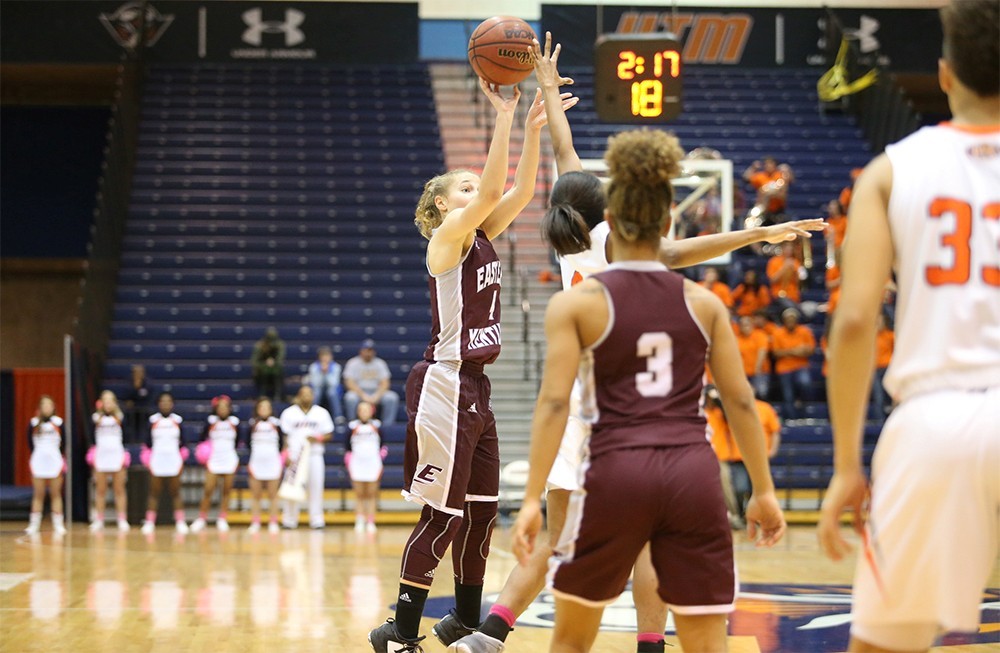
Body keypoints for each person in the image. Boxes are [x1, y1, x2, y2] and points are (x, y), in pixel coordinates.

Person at [443, 34, 817, 653]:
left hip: (581, 417)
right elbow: (682, 249)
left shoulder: (575, 252)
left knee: (560, 543)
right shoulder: (628, 248)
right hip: (634, 424)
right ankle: (649, 643)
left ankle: (490, 633)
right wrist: (759, 236)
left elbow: (565, 153)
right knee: (647, 546)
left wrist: (543, 90)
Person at [512, 128, 786, 653]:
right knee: (704, 632)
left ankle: (498, 625)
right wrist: (763, 489)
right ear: (666, 225)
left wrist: (530, 497)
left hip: (614, 461)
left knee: (572, 635)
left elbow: (550, 403)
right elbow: (741, 402)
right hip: (689, 468)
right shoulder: (702, 301)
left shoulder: (577, 297)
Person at [818, 5, 999, 652]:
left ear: (946, 74)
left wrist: (846, 466)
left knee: (884, 644)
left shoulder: (892, 170)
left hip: (935, 420)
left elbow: (857, 317)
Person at [367, 71, 563, 653]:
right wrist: (503, 116)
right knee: (442, 518)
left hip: (477, 386)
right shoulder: (446, 240)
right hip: (444, 384)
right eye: (465, 187)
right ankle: (401, 633)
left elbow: (521, 193)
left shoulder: (481, 233)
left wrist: (531, 131)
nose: (478, 192)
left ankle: (464, 622)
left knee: (482, 514)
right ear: (439, 203)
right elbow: (489, 194)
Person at [279, 385, 333, 530]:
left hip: (315, 455)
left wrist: (318, 438)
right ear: (298, 396)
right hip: (295, 456)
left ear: (313, 396)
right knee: (292, 487)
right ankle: (289, 520)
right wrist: (286, 455)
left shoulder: (321, 413)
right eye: (303, 394)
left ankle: (317, 520)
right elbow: (284, 436)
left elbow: (329, 433)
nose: (306, 397)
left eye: (309, 394)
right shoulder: (289, 413)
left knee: (316, 487)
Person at [141, 392, 189, 535]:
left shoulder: (178, 421)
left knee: (175, 491)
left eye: (168, 401)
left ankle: (180, 521)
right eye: (163, 401)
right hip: (157, 459)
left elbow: (184, 442)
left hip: (174, 459)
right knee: (154, 492)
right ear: (158, 404)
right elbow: (147, 442)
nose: (165, 404)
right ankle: (150, 522)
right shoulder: (152, 421)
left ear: (172, 404)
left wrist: (180, 458)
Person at [191, 395, 240, 533]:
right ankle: (202, 519)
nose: (223, 409)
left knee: (226, 490)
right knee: (208, 490)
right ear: (216, 408)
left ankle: (222, 519)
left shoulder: (234, 422)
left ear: (229, 409)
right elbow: (202, 438)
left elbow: (238, 441)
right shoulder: (210, 421)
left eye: (226, 407)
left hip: (229, 459)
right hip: (214, 459)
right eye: (220, 407)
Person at [89, 390, 130, 532]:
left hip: (117, 455)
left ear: (114, 403)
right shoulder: (95, 418)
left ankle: (122, 519)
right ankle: (99, 519)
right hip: (101, 456)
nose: (108, 403)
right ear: (101, 402)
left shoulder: (120, 417)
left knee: (119, 489)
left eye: (110, 400)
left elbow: (128, 435)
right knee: (100, 490)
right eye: (105, 400)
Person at [25, 395, 67, 536]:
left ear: (53, 407)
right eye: (44, 405)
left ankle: (58, 524)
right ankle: (34, 524)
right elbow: (29, 443)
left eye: (50, 405)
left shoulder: (59, 423)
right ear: (40, 408)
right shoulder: (33, 423)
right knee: (38, 494)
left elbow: (64, 443)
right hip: (38, 461)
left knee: (56, 493)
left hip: (54, 461)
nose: (47, 408)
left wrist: (56, 455)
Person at [346, 401, 386, 534]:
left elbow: (384, 444)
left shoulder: (377, 426)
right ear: (358, 411)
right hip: (357, 463)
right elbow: (347, 446)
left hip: (373, 463)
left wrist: (381, 456)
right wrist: (348, 459)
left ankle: (370, 521)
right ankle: (359, 519)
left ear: (371, 411)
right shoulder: (352, 426)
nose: (364, 412)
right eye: (361, 410)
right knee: (359, 494)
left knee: (371, 494)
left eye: (366, 410)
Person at [246, 397, 284, 534]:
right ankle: (255, 521)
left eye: (267, 407)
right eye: (261, 407)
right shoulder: (252, 424)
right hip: (256, 462)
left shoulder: (277, 424)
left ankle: (273, 521)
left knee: (273, 495)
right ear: (257, 409)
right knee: (256, 495)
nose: (264, 410)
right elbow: (246, 443)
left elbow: (282, 443)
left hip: (273, 463)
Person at [771, 308, 816, 419]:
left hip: (801, 366)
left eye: (792, 319)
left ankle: (806, 413)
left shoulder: (805, 331)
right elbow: (776, 353)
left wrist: (787, 352)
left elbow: (810, 350)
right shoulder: (778, 333)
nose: (790, 321)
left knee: (805, 383)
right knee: (788, 395)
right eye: (788, 319)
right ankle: (792, 418)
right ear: (784, 321)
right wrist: (795, 351)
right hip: (784, 368)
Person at [343, 340, 400, 427]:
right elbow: (349, 383)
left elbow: (385, 383)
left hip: (376, 392)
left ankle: (387, 426)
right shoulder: (353, 363)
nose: (368, 353)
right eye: (366, 350)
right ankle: (353, 424)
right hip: (359, 392)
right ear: (361, 351)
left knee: (392, 397)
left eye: (371, 350)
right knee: (350, 397)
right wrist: (363, 396)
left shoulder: (380, 363)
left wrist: (376, 396)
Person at [743, 156, 794, 225]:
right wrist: (753, 168)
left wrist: (787, 170)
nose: (768, 166)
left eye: (771, 164)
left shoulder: (780, 175)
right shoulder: (760, 176)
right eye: (767, 164)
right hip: (764, 210)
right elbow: (746, 178)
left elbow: (789, 182)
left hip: (778, 210)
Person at [735, 315, 771, 400]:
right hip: (744, 374)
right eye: (743, 325)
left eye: (747, 324)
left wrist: (757, 369)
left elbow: (762, 352)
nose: (745, 327)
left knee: (761, 393)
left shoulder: (760, 335)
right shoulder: (737, 339)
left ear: (752, 325)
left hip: (759, 372)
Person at [308, 346, 344, 423]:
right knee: (316, 392)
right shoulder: (314, 367)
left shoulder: (336, 367)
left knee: (332, 392)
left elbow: (334, 383)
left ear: (331, 357)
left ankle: (338, 416)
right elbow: (315, 384)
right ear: (319, 357)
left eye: (327, 356)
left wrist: (327, 372)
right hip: (319, 388)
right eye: (323, 356)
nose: (325, 358)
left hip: (331, 389)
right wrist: (321, 372)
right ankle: (311, 415)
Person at [869, 313, 894, 421]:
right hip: (874, 370)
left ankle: (892, 420)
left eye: (881, 321)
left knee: (893, 396)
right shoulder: (869, 337)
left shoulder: (890, 335)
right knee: (878, 397)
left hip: (888, 369)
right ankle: (880, 422)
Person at [252, 327, 285, 401]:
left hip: (275, 370)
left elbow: (280, 359)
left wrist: (274, 362)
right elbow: (254, 361)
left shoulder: (279, 345)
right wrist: (264, 364)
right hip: (262, 370)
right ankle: (262, 394)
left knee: (278, 371)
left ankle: (278, 395)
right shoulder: (260, 345)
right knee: (264, 372)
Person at [122, 364, 153, 442]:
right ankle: (131, 441)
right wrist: (135, 389)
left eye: (140, 372)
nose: (138, 374)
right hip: (131, 412)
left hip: (144, 410)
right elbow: (126, 396)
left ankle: (143, 441)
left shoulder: (148, 383)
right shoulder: (128, 383)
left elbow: (148, 396)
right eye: (136, 372)